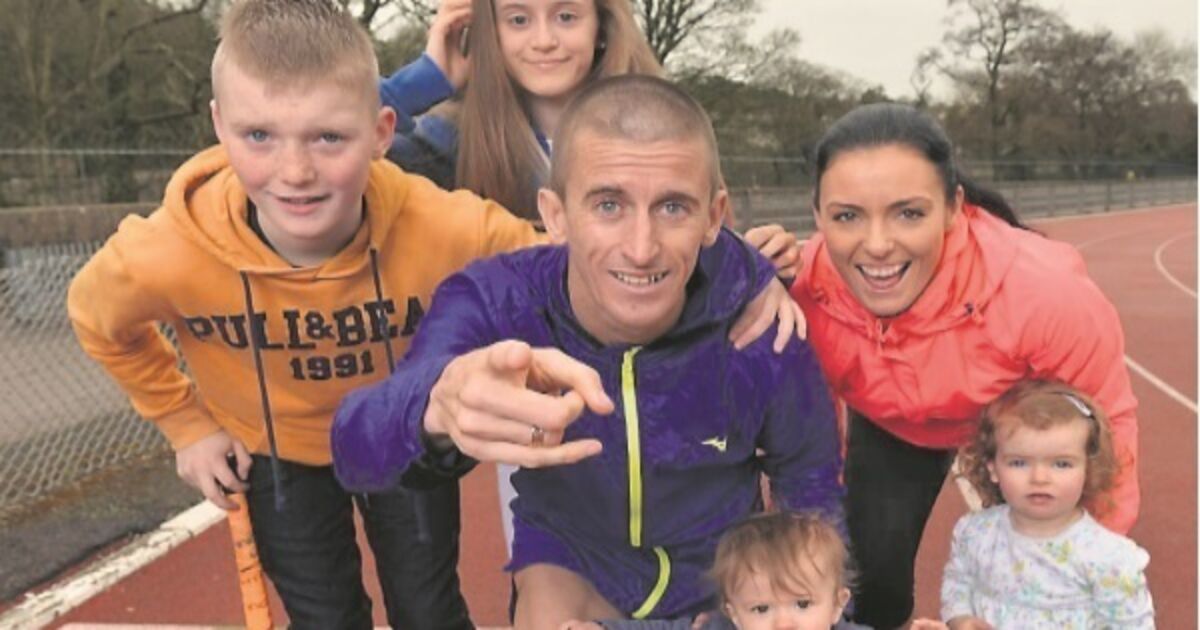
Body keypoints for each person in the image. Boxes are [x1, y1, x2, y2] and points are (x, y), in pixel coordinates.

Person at [66, 1, 543, 628]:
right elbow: (97, 319)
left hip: (399, 438)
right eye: (258, 136)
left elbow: (560, 269)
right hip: (276, 454)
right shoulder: (168, 250)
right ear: (219, 125)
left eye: (329, 137)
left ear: (381, 132)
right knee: (326, 618)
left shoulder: (441, 223)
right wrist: (186, 424)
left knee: (428, 612)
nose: (295, 173)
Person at [332, 75, 843, 629]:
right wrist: (434, 402)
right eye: (608, 205)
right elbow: (354, 447)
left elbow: (811, 487)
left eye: (673, 207)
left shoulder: (759, 320)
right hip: (573, 576)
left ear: (715, 216)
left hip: (722, 588)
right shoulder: (496, 299)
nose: (642, 247)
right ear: (554, 214)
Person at [381, 0, 804, 550]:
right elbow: (321, 150)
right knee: (559, 565)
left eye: (565, 17)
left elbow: (702, 237)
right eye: (517, 19)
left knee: (693, 561)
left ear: (602, 25)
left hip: (666, 380)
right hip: (548, 385)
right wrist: (424, 78)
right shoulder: (454, 136)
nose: (544, 40)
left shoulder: (659, 116)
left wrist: (756, 268)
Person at [789, 103, 1140, 629]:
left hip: (1014, 418)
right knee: (867, 580)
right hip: (892, 425)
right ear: (816, 216)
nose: (878, 244)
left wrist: (1097, 572)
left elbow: (1107, 428)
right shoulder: (800, 290)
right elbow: (810, 437)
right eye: (847, 216)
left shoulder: (1045, 294)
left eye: (909, 213)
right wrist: (746, 279)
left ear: (954, 207)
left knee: (1047, 578)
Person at [942, 380, 1154, 629]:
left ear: (1088, 469)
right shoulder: (975, 533)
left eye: (1061, 464)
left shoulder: (1109, 558)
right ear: (993, 468)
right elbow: (957, 584)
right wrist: (961, 620)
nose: (1039, 478)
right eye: (1019, 463)